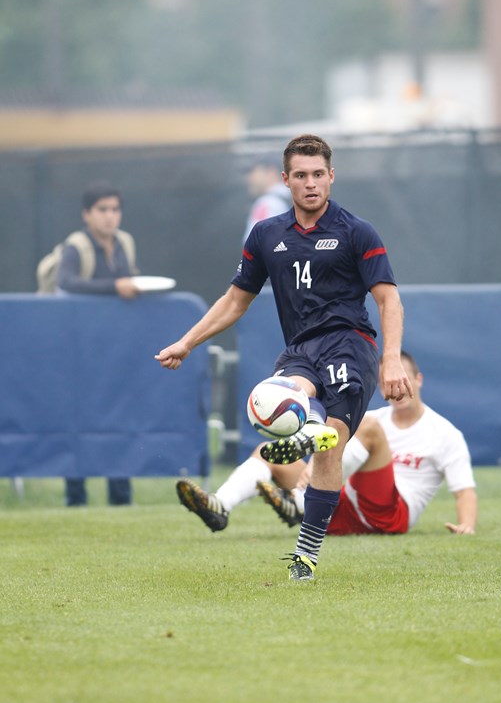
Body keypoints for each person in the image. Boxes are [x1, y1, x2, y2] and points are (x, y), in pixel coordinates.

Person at [156, 133, 411, 581]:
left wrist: (391, 358)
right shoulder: (267, 235)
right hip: (300, 350)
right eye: (300, 176)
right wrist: (187, 341)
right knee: (281, 396)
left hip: (351, 346)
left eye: (318, 175)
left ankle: (306, 556)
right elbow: (236, 301)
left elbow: (389, 301)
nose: (310, 183)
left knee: (331, 448)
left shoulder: (356, 231)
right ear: (285, 180)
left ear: (331, 177)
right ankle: (310, 435)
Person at [175, 350, 477, 538]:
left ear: (418, 380)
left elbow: (464, 491)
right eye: (387, 379)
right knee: (268, 454)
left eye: (401, 378)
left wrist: (467, 525)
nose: (395, 386)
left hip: (390, 517)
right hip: (340, 510)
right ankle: (220, 506)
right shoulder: (374, 416)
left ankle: (299, 499)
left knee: (362, 427)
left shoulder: (443, 432)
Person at [58, 181, 140, 507]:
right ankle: (75, 499)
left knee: (118, 422)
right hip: (76, 352)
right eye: (102, 210)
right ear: (87, 214)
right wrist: (114, 287)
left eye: (115, 209)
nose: (110, 217)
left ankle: (121, 498)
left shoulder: (125, 243)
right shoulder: (76, 246)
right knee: (76, 423)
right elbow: (66, 282)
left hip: (114, 351)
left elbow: (131, 282)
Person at [243, 155, 291, 241]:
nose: (249, 178)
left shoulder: (267, 203)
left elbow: (256, 245)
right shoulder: (295, 198)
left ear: (271, 172)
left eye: (253, 172)